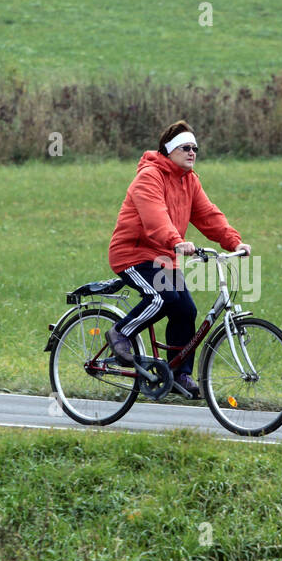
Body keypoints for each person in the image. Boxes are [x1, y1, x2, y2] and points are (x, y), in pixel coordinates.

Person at [105, 120, 251, 399]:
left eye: (195, 148)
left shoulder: (190, 181)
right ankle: (120, 333)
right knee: (162, 298)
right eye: (185, 147)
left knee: (186, 310)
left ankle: (179, 374)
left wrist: (234, 241)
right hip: (132, 254)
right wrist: (176, 241)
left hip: (163, 257)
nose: (192, 152)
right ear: (170, 151)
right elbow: (155, 216)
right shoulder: (149, 176)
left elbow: (208, 216)